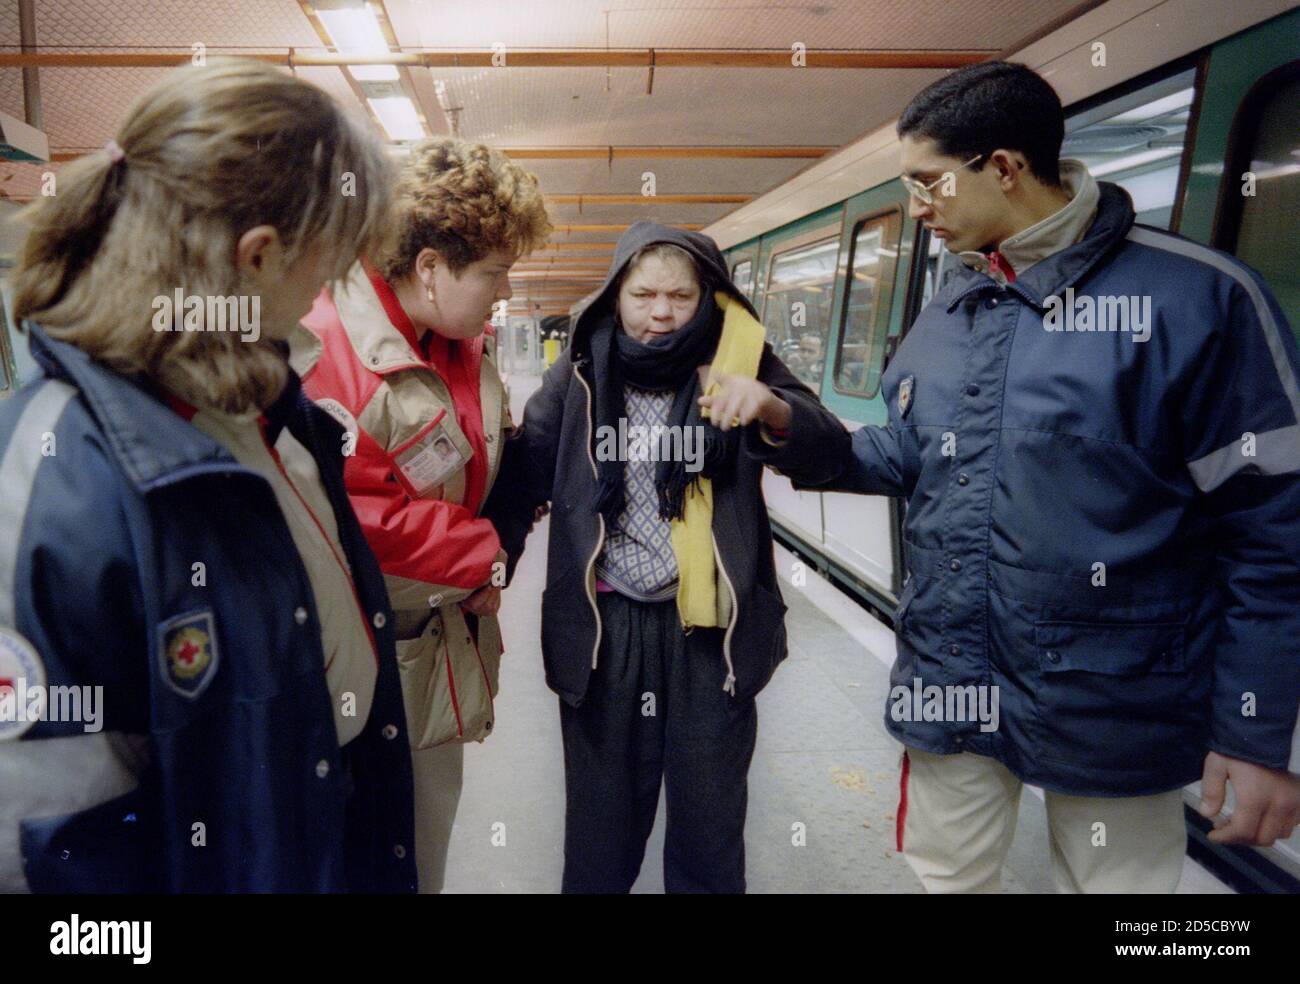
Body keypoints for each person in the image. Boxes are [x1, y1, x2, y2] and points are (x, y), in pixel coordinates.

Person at [788, 61, 1300, 892]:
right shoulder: (953, 302)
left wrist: (1252, 732)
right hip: (951, 678)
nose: (915, 210)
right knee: (947, 875)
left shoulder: (1196, 303)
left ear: (1003, 168)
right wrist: (793, 433)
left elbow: (1274, 534)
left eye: (928, 184)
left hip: (1118, 703)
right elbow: (912, 456)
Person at [0, 59, 416, 893]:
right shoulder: (48, 481)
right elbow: (53, 852)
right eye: (324, 269)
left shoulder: (271, 413)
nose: (320, 300)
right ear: (257, 257)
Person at [486, 220, 849, 893]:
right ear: (615, 296)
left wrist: (774, 408)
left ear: (706, 297)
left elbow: (829, 450)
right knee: (599, 837)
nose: (661, 312)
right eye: (644, 294)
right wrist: (487, 560)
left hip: (709, 630)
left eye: (680, 297)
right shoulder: (581, 372)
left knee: (710, 834)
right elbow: (526, 475)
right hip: (605, 629)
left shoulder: (740, 359)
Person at [297, 137, 552, 893]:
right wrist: (482, 556)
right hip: (356, 663)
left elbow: (473, 468)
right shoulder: (328, 352)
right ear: (432, 268)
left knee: (416, 850)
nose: (503, 293)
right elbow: (352, 525)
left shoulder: (455, 344)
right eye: (496, 274)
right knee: (362, 855)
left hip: (434, 653)